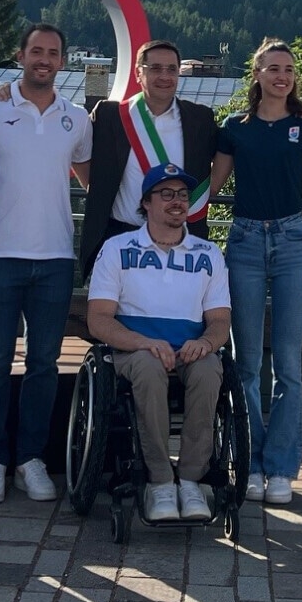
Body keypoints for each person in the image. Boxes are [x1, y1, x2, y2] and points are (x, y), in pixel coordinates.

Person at [0, 23, 92, 504]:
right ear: (20, 55)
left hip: (57, 258)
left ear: (63, 60)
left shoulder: (77, 118)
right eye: (36, 50)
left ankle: (30, 460)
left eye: (53, 52)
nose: (44, 58)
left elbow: (92, 179)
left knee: (43, 364)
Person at [208, 39, 302, 506]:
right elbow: (211, 187)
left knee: (288, 366)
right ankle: (250, 462)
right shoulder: (234, 128)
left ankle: (281, 469)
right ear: (256, 74)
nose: (283, 76)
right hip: (244, 243)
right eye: (273, 68)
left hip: (295, 244)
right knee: (247, 363)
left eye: (289, 69)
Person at [86, 163, 233, 523]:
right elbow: (99, 319)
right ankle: (160, 480)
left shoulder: (209, 254)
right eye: (166, 194)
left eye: (182, 194)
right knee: (149, 369)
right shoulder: (117, 249)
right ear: (146, 203)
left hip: (188, 349)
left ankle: (191, 479)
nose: (176, 201)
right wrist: (143, 342)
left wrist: (207, 343)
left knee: (210, 368)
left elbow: (220, 322)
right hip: (132, 350)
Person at [82, 40, 219, 270]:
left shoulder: (200, 119)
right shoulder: (109, 116)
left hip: (180, 241)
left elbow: (233, 151)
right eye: (155, 68)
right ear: (138, 73)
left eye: (171, 69)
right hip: (120, 238)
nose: (164, 76)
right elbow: (75, 151)